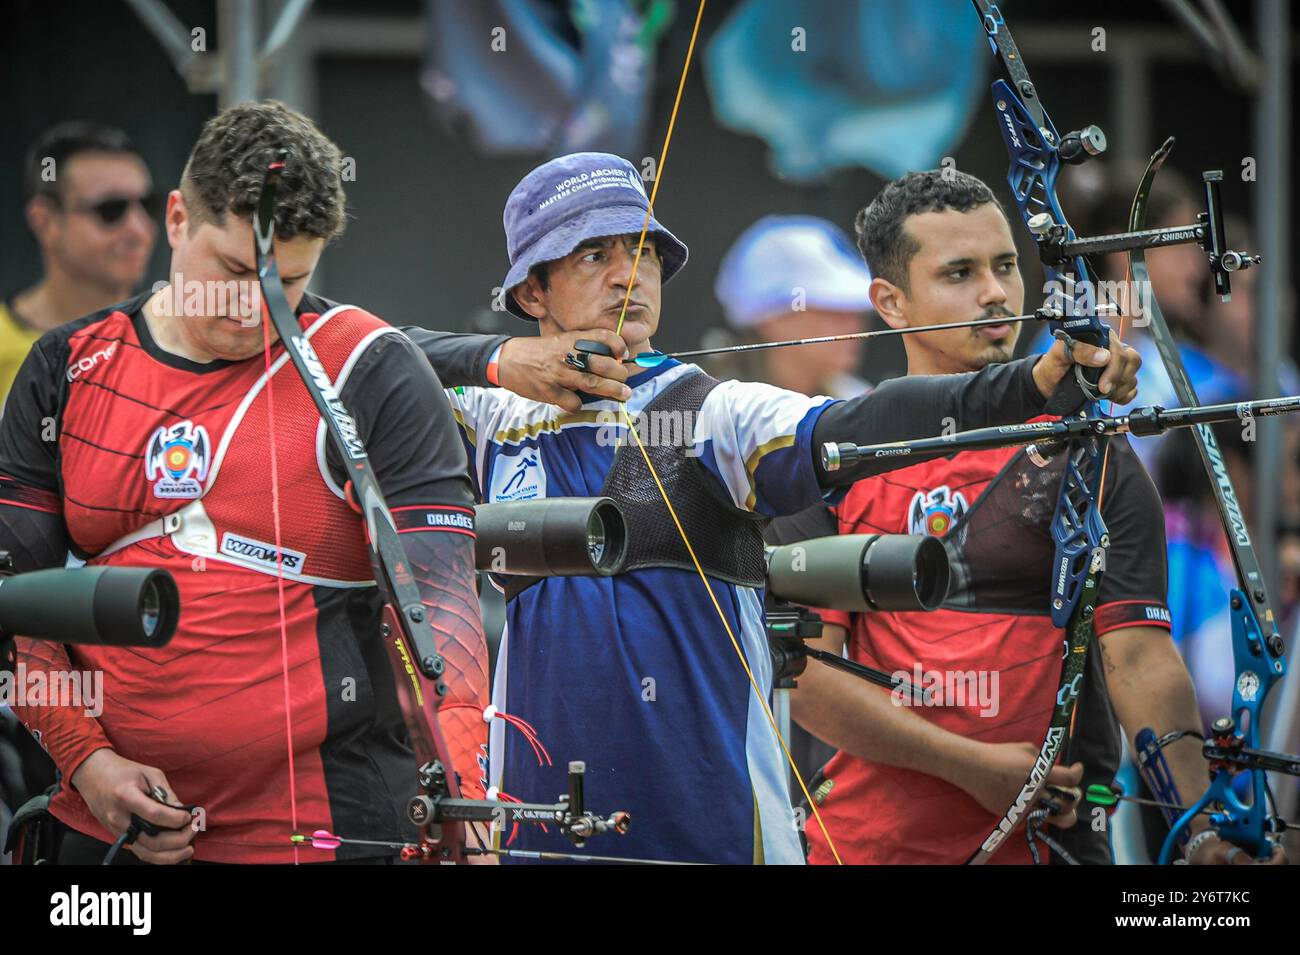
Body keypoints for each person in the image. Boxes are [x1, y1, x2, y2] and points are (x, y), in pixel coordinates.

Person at [433, 151, 1139, 864]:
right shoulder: (486, 417)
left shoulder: (712, 412)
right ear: (531, 291)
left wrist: (1031, 382)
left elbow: (859, 423)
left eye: (642, 252)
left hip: (715, 830)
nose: (628, 275)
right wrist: (499, 360)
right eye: (593, 255)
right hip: (537, 828)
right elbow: (347, 354)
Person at [0, 102, 489, 864]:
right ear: (175, 218)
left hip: (328, 833)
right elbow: (16, 607)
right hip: (106, 833)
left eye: (288, 280)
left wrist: (465, 803)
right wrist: (87, 763)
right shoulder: (66, 368)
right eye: (234, 270)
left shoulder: (372, 368)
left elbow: (446, 615)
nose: (254, 307)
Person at [768, 169, 1283, 865]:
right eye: (959, 272)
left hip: (1051, 849)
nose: (994, 292)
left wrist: (1202, 827)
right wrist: (973, 767)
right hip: (868, 849)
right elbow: (808, 672)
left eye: (1005, 265)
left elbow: (1139, 655)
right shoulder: (837, 456)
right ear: (890, 302)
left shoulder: (1095, 447)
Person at [4, 123, 158, 400]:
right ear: (45, 221)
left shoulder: (174, 345)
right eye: (111, 209)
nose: (139, 229)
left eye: (148, 205)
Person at [705, 215, 874, 398]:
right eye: (833, 309)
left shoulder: (857, 399)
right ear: (771, 318)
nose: (855, 328)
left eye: (857, 312)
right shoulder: (714, 413)